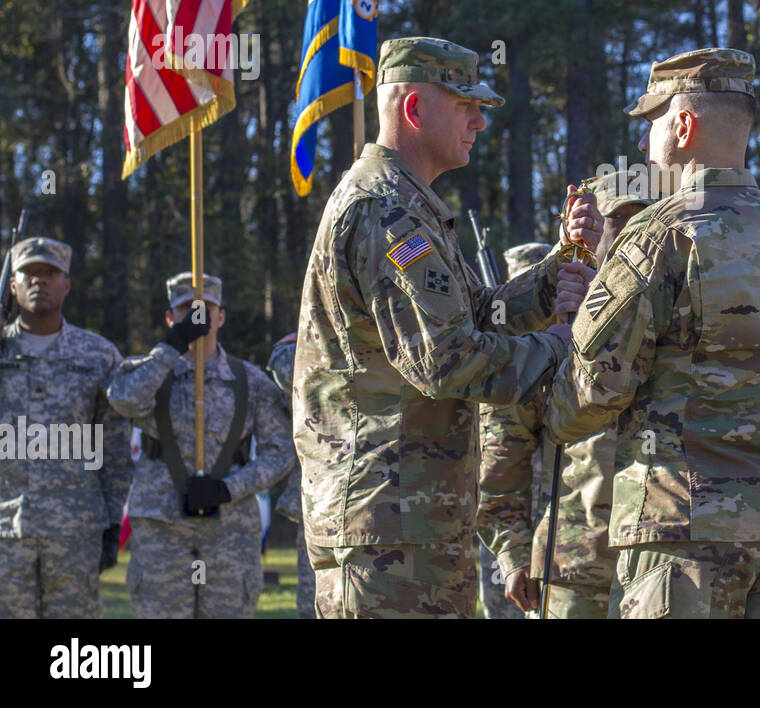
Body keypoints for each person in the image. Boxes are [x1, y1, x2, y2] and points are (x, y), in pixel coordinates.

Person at [294, 36, 600, 618]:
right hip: (388, 527)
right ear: (415, 109)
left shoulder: (411, 208)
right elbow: (445, 359)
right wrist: (560, 348)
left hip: (411, 519)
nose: (480, 123)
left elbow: (482, 318)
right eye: (467, 107)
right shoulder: (388, 213)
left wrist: (561, 261)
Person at [545, 47, 760, 619]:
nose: (642, 145)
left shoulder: (657, 237)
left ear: (683, 125)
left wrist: (564, 337)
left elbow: (588, 398)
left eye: (651, 123)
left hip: (683, 538)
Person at [479, 173, 651, 618]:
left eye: (641, 221)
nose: (631, 234)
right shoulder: (553, 327)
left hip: (664, 557)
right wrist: (512, 551)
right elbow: (502, 448)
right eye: (618, 222)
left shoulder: (674, 307)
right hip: (576, 565)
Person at [108, 272, 293, 618]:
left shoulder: (250, 381)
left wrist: (228, 489)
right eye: (186, 311)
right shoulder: (146, 373)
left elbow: (280, 451)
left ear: (221, 316)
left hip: (230, 534)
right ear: (170, 317)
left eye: (205, 309)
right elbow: (126, 402)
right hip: (162, 533)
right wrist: (173, 344)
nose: (197, 317)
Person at [0, 237, 132, 618]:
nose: (39, 281)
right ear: (12, 285)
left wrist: (111, 524)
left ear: (67, 284)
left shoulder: (98, 355)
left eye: (50, 273)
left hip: (75, 532)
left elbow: (115, 448)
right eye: (29, 273)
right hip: (6, 528)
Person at [475, 241, 551, 621]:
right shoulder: (513, 359)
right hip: (519, 530)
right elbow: (499, 470)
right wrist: (514, 554)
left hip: (556, 539)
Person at [266, 332, 314, 618]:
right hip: (320, 503)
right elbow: (286, 368)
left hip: (391, 495)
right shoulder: (306, 338)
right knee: (315, 603)